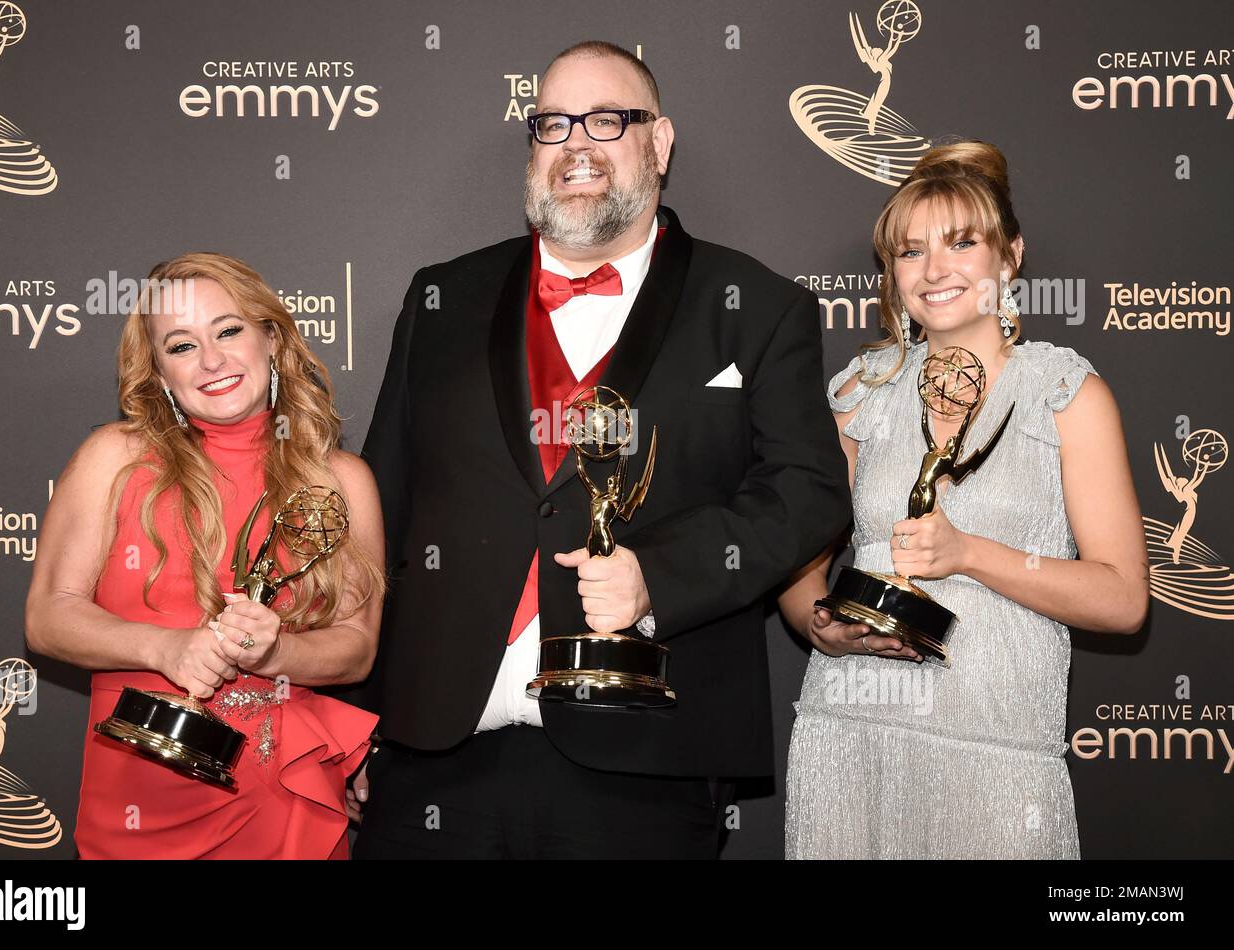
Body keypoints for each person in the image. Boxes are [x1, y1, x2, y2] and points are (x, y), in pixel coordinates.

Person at [346, 40, 850, 859]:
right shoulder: (442, 297)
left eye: (607, 120)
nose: (576, 143)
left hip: (644, 762)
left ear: (660, 143)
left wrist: (663, 573)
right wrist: (353, 717)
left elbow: (809, 492)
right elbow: (381, 514)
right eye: (552, 124)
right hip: (433, 757)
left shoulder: (756, 306)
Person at [779, 141, 1149, 859]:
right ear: (889, 273)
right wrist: (817, 624)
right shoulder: (864, 393)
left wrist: (969, 554)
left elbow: (1123, 599)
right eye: (909, 251)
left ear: (1009, 256)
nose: (935, 269)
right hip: (851, 739)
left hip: (998, 754)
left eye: (961, 242)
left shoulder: (1065, 395)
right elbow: (801, 563)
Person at [25, 252, 385, 859]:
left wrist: (277, 651)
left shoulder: (341, 482)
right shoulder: (115, 458)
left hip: (281, 794)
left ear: (270, 337)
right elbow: (49, 617)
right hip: (143, 791)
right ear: (160, 372)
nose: (212, 361)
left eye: (228, 330)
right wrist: (161, 647)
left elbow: (356, 648)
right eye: (182, 345)